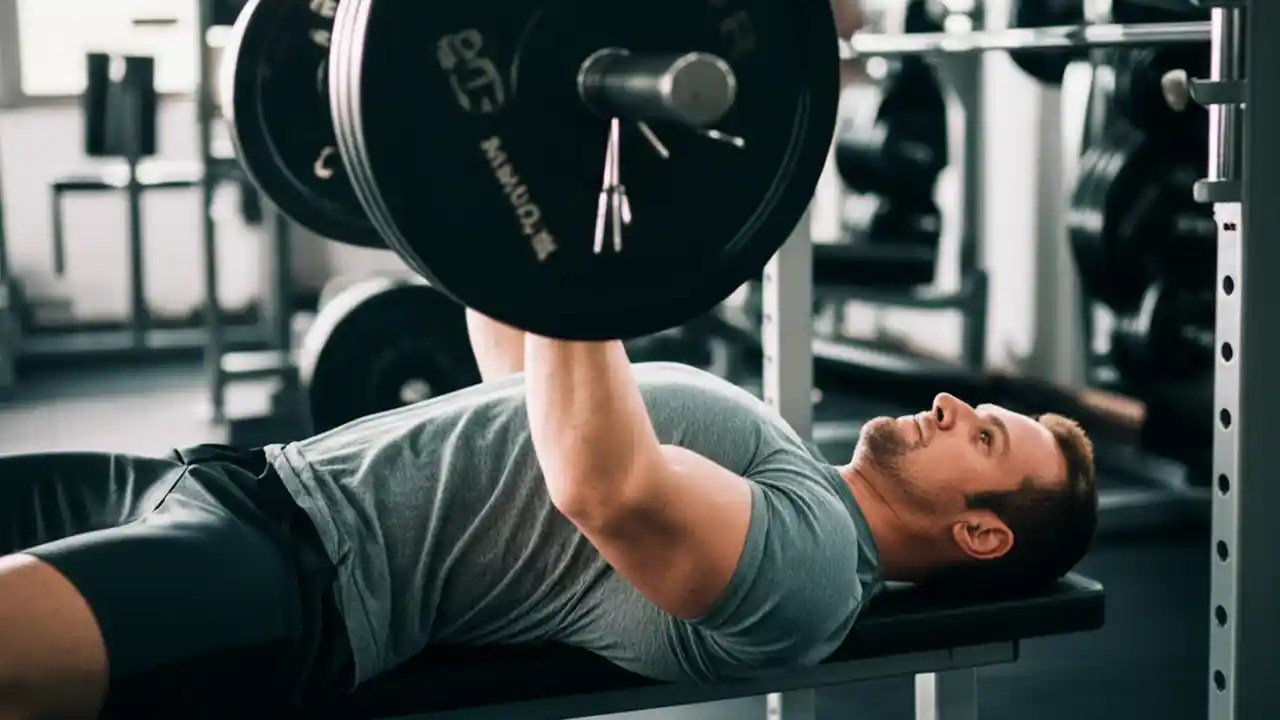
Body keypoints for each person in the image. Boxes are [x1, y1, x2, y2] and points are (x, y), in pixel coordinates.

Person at [0, 308, 1097, 720]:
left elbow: (602, 485)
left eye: (982, 436)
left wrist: (574, 259)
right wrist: (494, 198)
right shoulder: (791, 476)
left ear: (981, 533)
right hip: (232, 482)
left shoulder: (812, 570)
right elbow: (525, 380)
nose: (951, 403)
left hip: (291, 579)